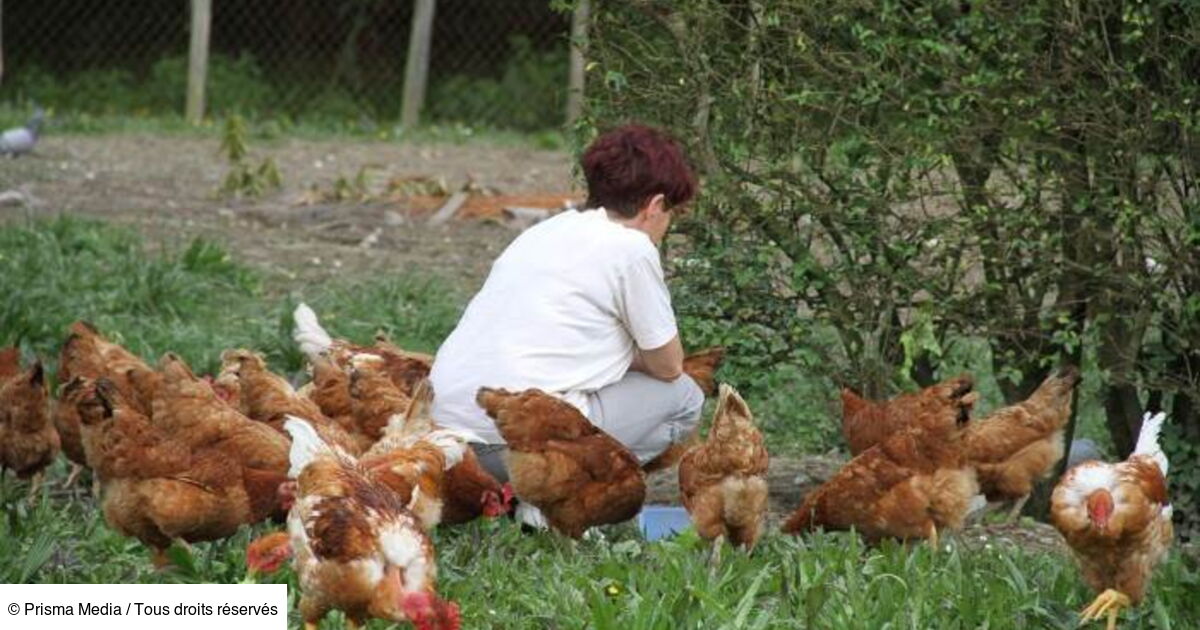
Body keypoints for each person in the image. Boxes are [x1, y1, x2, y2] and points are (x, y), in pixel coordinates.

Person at [429, 123, 704, 486]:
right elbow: (668, 366)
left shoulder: (546, 231)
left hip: (441, 437)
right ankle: (564, 496)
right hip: (509, 450)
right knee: (684, 397)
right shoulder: (631, 248)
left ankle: (527, 499)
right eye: (671, 213)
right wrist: (626, 355)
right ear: (654, 206)